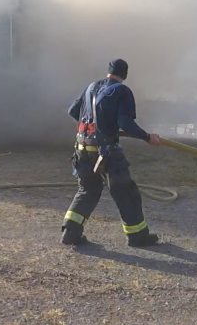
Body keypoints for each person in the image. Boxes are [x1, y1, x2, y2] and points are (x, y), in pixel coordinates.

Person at [61, 59, 162, 247]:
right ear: (125, 75)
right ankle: (137, 236)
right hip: (105, 152)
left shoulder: (91, 87)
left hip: (82, 149)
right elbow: (126, 124)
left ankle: (70, 232)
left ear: (108, 72)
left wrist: (97, 126)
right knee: (126, 192)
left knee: (88, 190)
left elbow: (73, 111)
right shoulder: (122, 91)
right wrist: (147, 137)